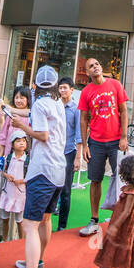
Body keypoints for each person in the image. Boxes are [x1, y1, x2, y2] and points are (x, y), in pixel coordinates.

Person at [2, 65, 66, 268]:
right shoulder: (58, 104)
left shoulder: (39, 105)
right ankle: (37, 263)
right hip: (59, 170)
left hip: (43, 169)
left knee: (29, 225)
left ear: (36, 85)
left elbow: (42, 135)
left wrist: (21, 127)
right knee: (46, 220)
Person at [77, 57, 129, 237]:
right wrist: (84, 144)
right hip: (96, 142)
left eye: (97, 64)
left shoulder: (115, 85)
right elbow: (83, 119)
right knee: (95, 180)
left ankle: (121, 217)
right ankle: (94, 219)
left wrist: (124, 136)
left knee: (122, 180)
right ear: (88, 72)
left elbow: (123, 111)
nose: (95, 67)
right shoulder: (86, 92)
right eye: (91, 66)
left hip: (116, 141)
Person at [90, 155, 134, 268]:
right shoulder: (129, 188)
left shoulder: (133, 192)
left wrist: (116, 225)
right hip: (119, 223)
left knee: (124, 248)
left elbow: (127, 211)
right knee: (110, 244)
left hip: (126, 226)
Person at [0, 130, 28, 244]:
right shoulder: (7, 158)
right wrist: (6, 175)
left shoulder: (28, 160)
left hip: (20, 195)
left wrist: (21, 181)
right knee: (5, 219)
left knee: (20, 220)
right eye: (18, 141)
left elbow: (31, 177)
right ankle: (4, 240)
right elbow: (1, 171)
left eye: (23, 141)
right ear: (12, 144)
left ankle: (20, 241)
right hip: (8, 193)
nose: (22, 143)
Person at [56, 77, 81, 231]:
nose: (62, 90)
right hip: (54, 151)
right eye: (60, 88)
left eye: (65, 88)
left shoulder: (76, 109)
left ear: (72, 90)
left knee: (66, 191)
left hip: (68, 152)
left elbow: (79, 134)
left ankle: (61, 226)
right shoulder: (55, 106)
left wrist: (78, 158)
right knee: (51, 187)